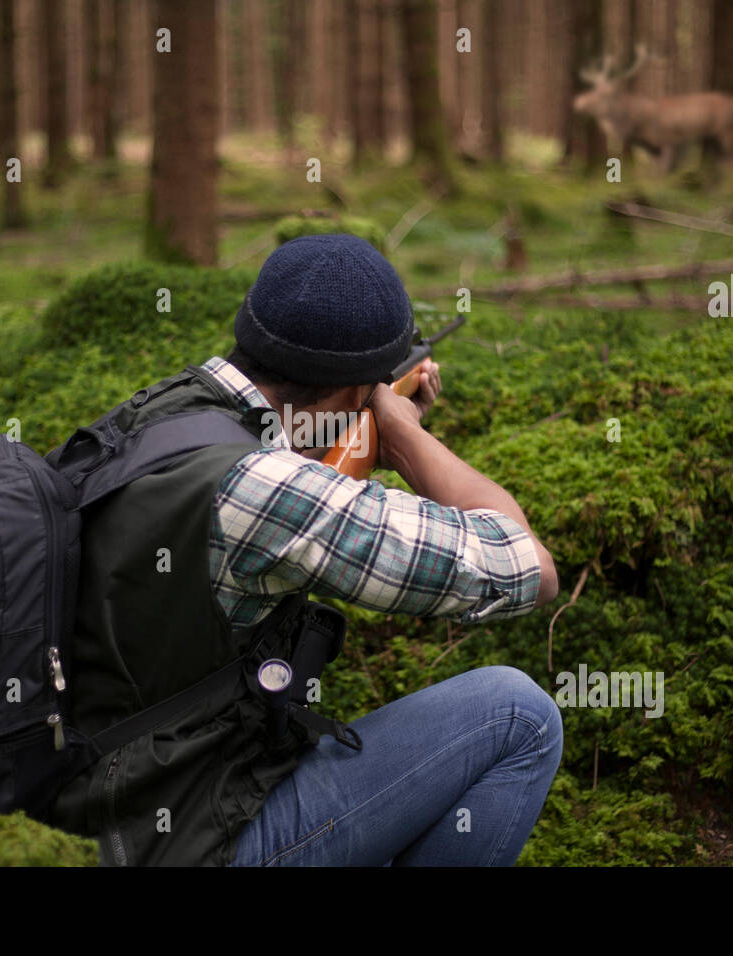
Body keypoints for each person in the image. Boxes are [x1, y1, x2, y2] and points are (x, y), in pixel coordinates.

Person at [50, 234, 562, 866]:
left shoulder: (158, 413)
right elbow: (530, 568)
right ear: (355, 395)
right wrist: (403, 439)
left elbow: (269, 496)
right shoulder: (267, 492)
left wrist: (355, 433)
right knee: (520, 715)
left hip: (81, 802)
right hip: (182, 842)